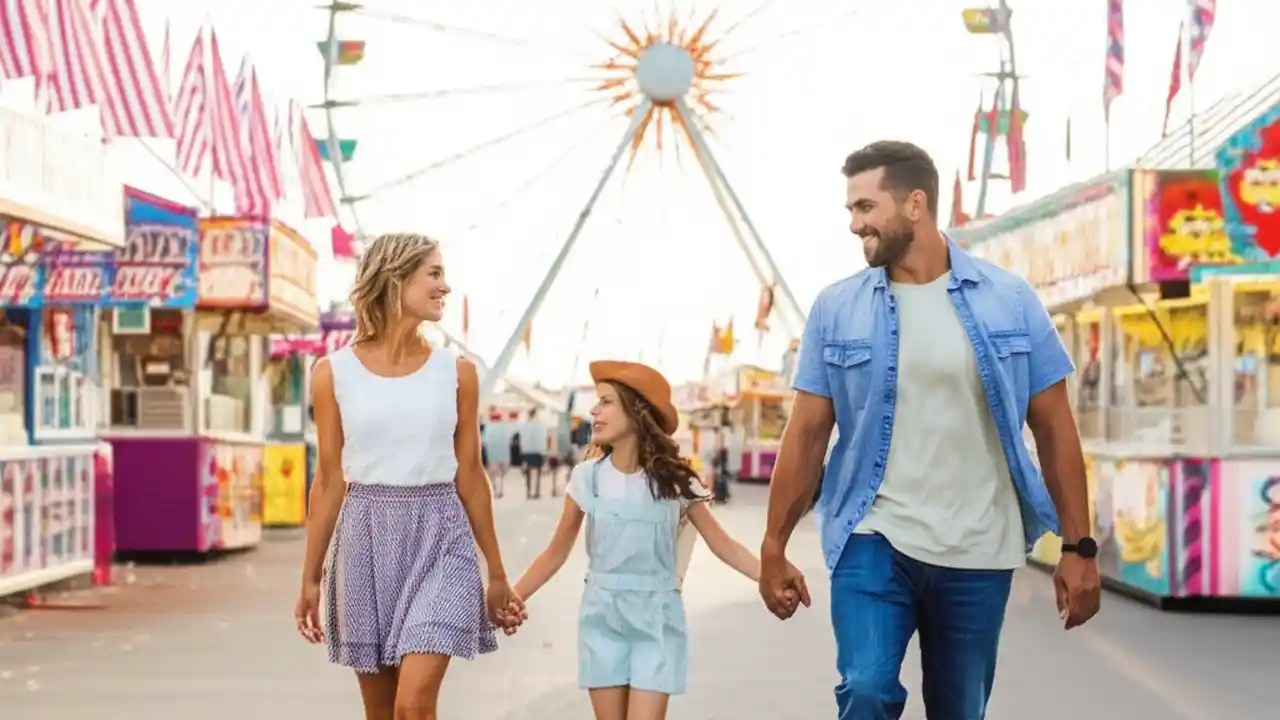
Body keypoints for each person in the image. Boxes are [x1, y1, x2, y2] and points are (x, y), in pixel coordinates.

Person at [759, 141, 1101, 720]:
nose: (854, 224)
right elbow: (807, 434)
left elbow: (1054, 428)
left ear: (915, 203)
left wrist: (1079, 547)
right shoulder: (836, 307)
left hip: (977, 548)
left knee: (959, 710)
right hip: (874, 535)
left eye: (865, 207)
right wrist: (773, 543)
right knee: (866, 689)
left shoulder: (1009, 300)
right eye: (850, 210)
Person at [294, 233, 526, 720]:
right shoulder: (331, 373)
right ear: (397, 279)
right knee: (382, 714)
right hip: (364, 541)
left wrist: (498, 572)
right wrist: (310, 577)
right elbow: (330, 480)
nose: (446, 286)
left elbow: (470, 473)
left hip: (442, 537)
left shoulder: (457, 373)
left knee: (413, 705)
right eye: (435, 274)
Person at [512, 360, 775, 720]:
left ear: (637, 413)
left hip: (657, 619)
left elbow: (723, 543)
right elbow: (555, 553)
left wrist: (771, 577)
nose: (594, 409)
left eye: (606, 401)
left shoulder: (676, 482)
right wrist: (510, 598)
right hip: (602, 618)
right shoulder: (588, 478)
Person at [521, 407, 549, 499]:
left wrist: (522, 450)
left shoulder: (525, 425)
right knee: (538, 471)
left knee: (528, 472)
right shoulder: (540, 424)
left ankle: (528, 492)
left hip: (528, 450)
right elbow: (543, 437)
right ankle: (537, 491)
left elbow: (523, 439)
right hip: (538, 450)